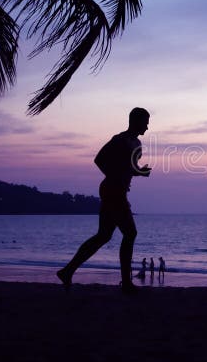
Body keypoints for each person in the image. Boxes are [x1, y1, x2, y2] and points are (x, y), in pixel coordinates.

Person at [57, 108, 152, 294]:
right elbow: (99, 159)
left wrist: (141, 172)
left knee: (103, 235)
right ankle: (126, 283)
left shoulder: (137, 143)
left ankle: (67, 271)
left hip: (119, 191)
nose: (147, 126)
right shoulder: (119, 140)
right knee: (130, 233)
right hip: (112, 191)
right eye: (145, 122)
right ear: (135, 121)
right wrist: (114, 176)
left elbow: (130, 168)